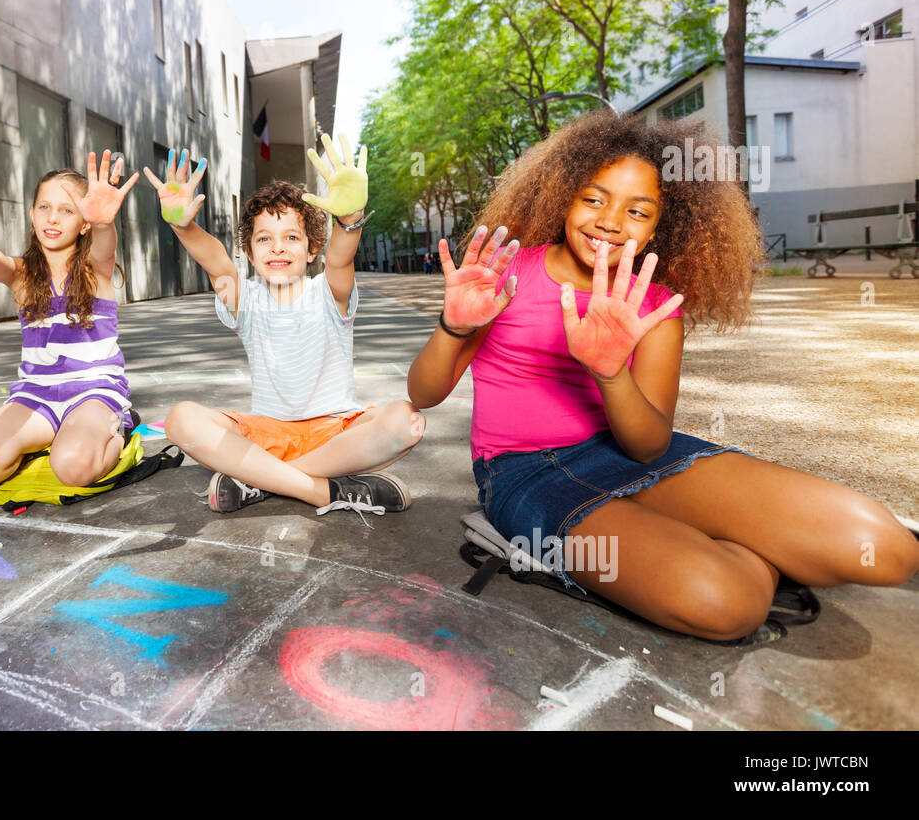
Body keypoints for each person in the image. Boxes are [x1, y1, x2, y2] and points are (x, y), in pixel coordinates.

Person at [407, 110, 919, 641]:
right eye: (594, 198)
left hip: (624, 453)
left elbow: (648, 446)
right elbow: (423, 394)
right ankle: (737, 554)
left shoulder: (653, 306)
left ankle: (714, 542)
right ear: (564, 195)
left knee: (888, 549)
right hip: (524, 475)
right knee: (727, 605)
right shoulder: (505, 276)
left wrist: (609, 373)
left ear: (660, 227)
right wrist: (452, 324)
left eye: (638, 210)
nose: (610, 221)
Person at [154, 139, 425, 522]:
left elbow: (341, 257)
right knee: (180, 418)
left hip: (337, 432)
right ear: (248, 252)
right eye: (264, 239)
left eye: (291, 238)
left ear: (312, 248)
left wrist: (348, 221)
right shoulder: (243, 298)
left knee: (406, 421)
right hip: (266, 435)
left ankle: (259, 480)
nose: (277, 248)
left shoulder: (329, 292)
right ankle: (320, 489)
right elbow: (216, 263)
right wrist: (183, 226)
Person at [0, 151, 138, 491]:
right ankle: (53, 438)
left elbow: (105, 248)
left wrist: (105, 222)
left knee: (72, 467)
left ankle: (117, 433)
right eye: (45, 207)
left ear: (84, 221)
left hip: (94, 393)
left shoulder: (95, 270)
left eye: (67, 210)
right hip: (36, 395)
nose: (53, 218)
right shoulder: (22, 276)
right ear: (32, 214)